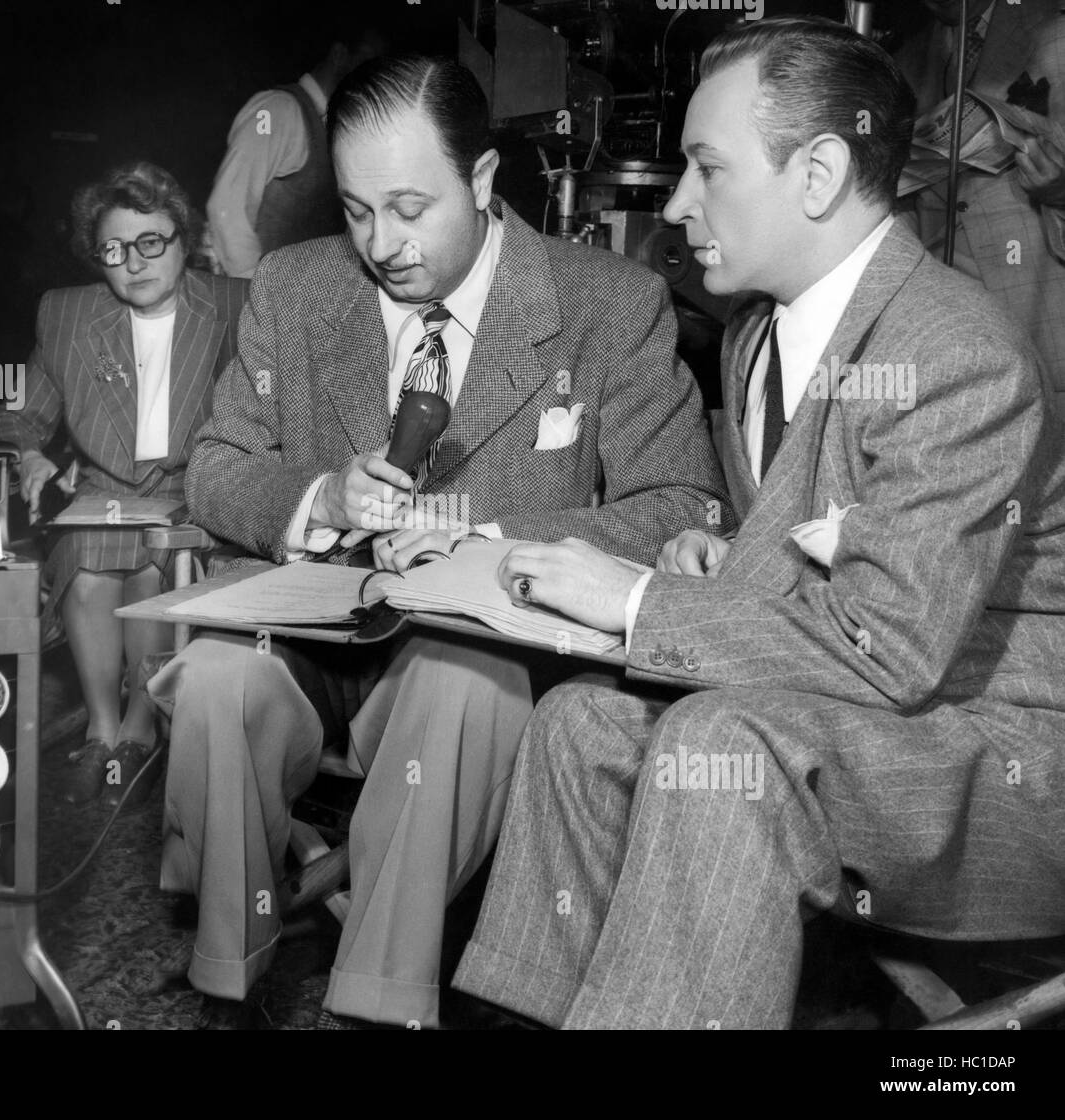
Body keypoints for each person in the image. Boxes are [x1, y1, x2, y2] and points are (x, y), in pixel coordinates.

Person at [452, 17, 1065, 1029]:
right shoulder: (752, 335)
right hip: (879, 715)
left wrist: (641, 597)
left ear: (817, 173)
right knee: (579, 722)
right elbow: (830, 533)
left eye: (705, 167)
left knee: (722, 740)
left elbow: (894, 644)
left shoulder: (957, 350)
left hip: (1002, 757)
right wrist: (731, 560)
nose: (679, 202)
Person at [147, 54, 733, 1028]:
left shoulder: (607, 303)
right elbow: (214, 464)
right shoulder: (292, 289)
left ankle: (377, 1003)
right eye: (356, 210)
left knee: (460, 684)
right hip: (312, 639)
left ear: (484, 180)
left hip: (480, 657)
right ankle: (228, 978)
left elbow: (683, 503)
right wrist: (318, 495)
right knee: (213, 679)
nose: (382, 243)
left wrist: (490, 540)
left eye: (411, 208)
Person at [0, 161, 247, 809]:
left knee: (156, 567)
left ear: (184, 241)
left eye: (151, 242)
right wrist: (29, 455)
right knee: (95, 562)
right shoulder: (67, 316)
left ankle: (140, 731)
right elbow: (13, 412)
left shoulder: (236, 305)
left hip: (195, 489)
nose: (134, 261)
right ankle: (103, 732)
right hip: (100, 498)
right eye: (114, 248)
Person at [893, 0, 1065, 402]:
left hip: (1044, 327)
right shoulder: (905, 57)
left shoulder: (1052, 32)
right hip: (952, 343)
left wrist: (1060, 194)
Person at [202, 17, 388, 278]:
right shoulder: (276, 111)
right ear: (339, 55)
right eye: (368, 60)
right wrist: (253, 291)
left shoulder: (339, 131)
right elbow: (227, 211)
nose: (374, 75)